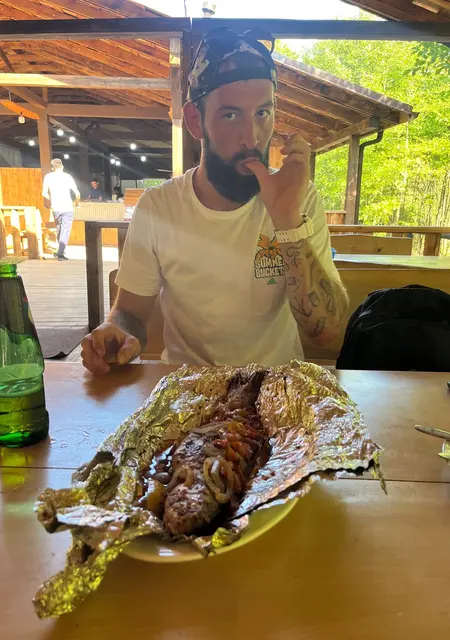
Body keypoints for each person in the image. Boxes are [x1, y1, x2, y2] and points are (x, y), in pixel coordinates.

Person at [81, 27, 348, 375]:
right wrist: (118, 332)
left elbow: (326, 332)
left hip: (275, 389)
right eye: (230, 115)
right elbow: (130, 313)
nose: (251, 138)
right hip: (187, 390)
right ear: (195, 121)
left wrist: (287, 220)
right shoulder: (159, 207)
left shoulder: (299, 198)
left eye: (262, 113)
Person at [42, 158, 80, 261]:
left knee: (59, 229)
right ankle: (60, 253)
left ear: (52, 168)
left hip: (56, 207)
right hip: (67, 207)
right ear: (62, 166)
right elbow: (77, 193)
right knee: (65, 230)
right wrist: (77, 203)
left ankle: (61, 251)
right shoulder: (67, 177)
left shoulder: (48, 177)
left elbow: (44, 193)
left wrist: (50, 201)